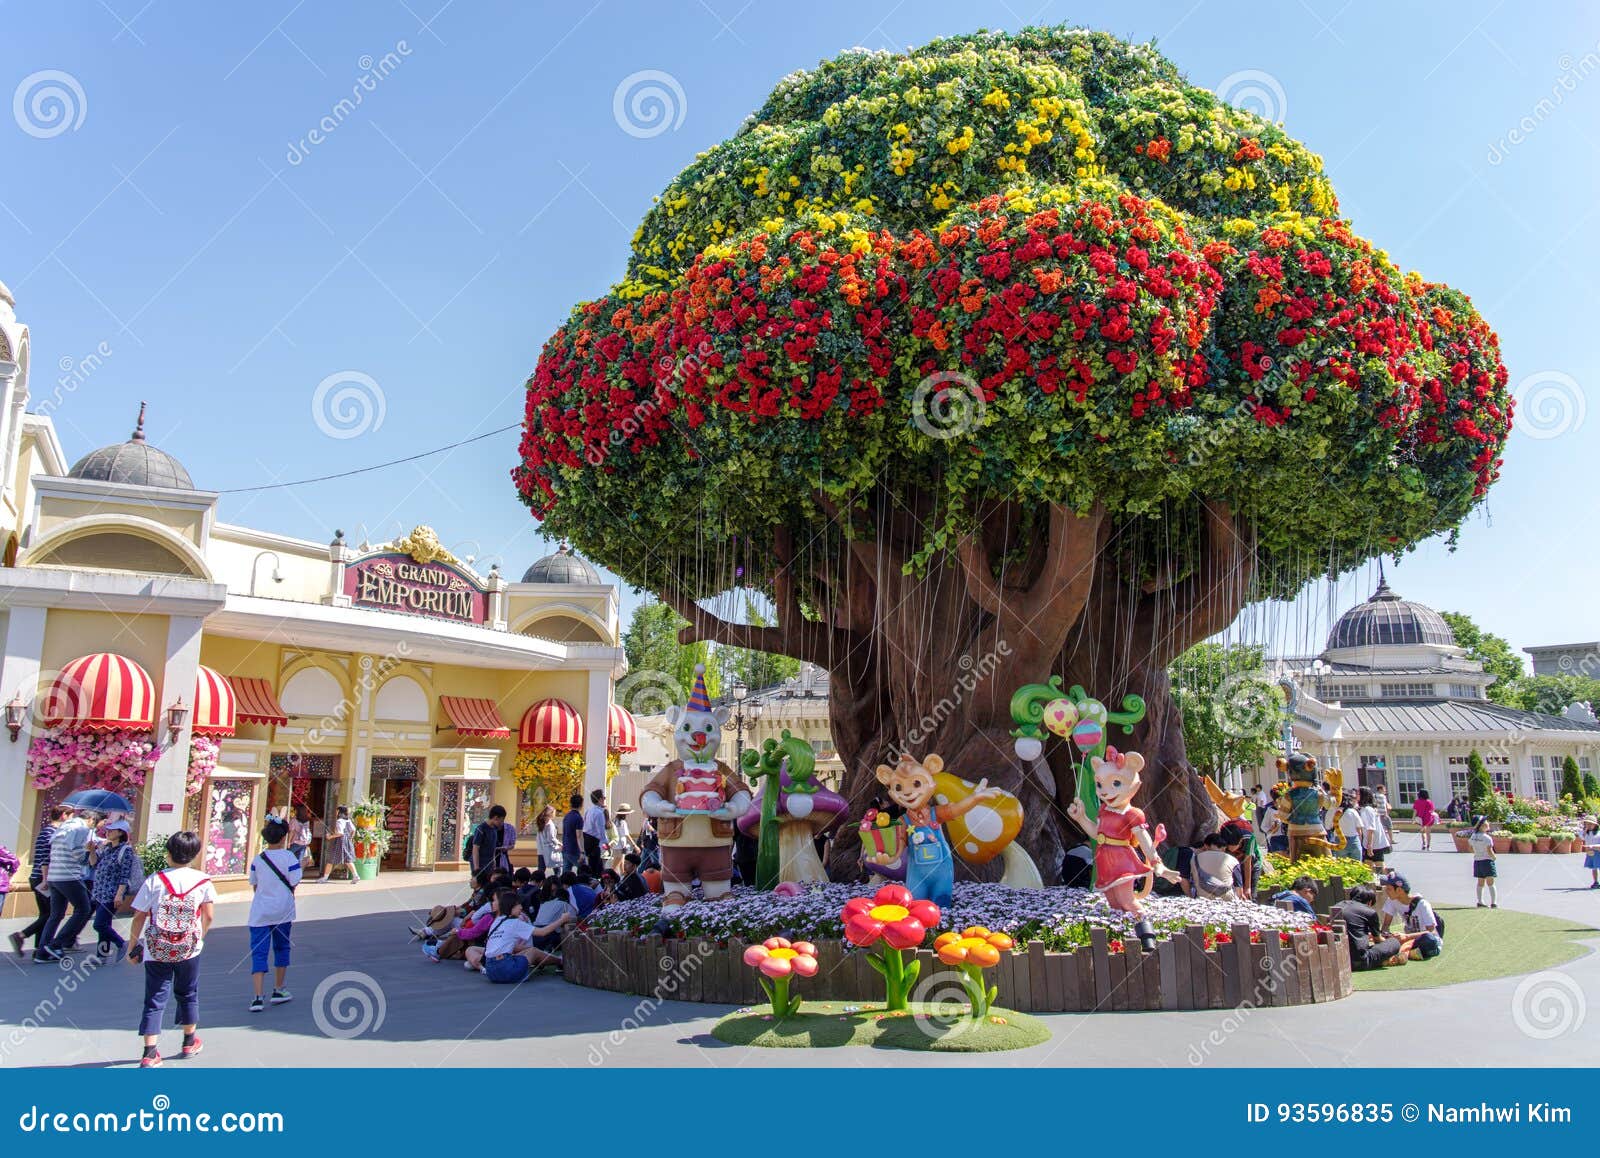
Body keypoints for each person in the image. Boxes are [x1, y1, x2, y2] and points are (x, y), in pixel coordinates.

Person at [127, 831, 216, 1068]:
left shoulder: (155, 880)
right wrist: (199, 938)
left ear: (168, 853)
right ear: (195, 855)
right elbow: (208, 915)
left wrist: (132, 945)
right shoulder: (203, 880)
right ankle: (189, 1041)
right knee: (188, 993)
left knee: (155, 997)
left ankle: (150, 1052)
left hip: (157, 948)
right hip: (189, 948)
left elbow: (139, 917)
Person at [248, 817, 303, 1012]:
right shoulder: (289, 857)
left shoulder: (258, 859)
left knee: (258, 952)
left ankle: (257, 996)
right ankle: (279, 989)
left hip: (260, 912)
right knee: (282, 948)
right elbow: (295, 880)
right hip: (283, 910)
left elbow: (254, 884)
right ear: (283, 837)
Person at [36, 806, 98, 963]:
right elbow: (79, 857)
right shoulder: (81, 829)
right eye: (94, 823)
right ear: (90, 819)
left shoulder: (64, 827)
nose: (94, 826)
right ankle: (56, 944)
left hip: (54, 876)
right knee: (84, 909)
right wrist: (89, 850)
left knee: (55, 915)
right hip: (69, 876)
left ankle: (42, 952)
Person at [12, 806, 69, 957]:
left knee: (46, 913)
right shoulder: (52, 833)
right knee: (52, 914)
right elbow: (46, 858)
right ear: (63, 816)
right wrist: (45, 880)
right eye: (69, 816)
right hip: (44, 878)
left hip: (37, 877)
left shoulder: (46, 831)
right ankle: (22, 935)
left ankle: (39, 948)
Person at [89, 819, 138, 960]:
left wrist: (119, 894)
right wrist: (92, 850)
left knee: (99, 924)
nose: (108, 832)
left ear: (121, 833)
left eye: (112, 830)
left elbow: (124, 874)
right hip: (100, 892)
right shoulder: (107, 848)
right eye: (108, 830)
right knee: (105, 925)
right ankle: (101, 956)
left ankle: (121, 943)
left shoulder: (126, 850)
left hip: (112, 893)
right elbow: (94, 865)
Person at [1329, 884, 1402, 970]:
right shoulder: (1369, 912)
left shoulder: (1338, 905)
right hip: (1359, 961)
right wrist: (1387, 939)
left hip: (1338, 959)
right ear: (1370, 902)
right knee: (1394, 942)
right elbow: (1377, 940)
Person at [1379, 872, 1443, 959]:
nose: (1386, 891)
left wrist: (1406, 936)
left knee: (1429, 939)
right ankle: (1408, 953)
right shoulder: (1391, 901)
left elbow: (1431, 932)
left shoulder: (1422, 904)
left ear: (1399, 890)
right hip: (1408, 940)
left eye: (1389, 889)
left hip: (1423, 940)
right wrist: (1385, 935)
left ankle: (1404, 952)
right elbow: (1386, 925)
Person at [1189, 833, 1243, 901]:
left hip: (1202, 896)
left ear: (1206, 846)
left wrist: (1190, 896)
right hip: (1227, 897)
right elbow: (1239, 888)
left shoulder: (1195, 858)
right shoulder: (1233, 860)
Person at [317, 806, 358, 884]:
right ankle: (356, 876)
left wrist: (330, 836)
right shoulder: (348, 820)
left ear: (339, 811)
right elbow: (354, 830)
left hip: (340, 842)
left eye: (337, 811)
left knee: (331, 859)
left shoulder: (339, 821)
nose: (336, 812)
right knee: (347, 859)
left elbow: (340, 833)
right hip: (347, 841)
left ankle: (325, 878)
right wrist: (350, 837)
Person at [470, 804, 508, 886]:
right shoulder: (481, 829)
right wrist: (476, 868)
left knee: (488, 885)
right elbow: (475, 849)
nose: (502, 823)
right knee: (479, 886)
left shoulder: (494, 829)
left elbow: (493, 846)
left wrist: (493, 860)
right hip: (480, 863)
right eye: (501, 820)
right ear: (495, 818)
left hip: (489, 863)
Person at [1467, 815, 1498, 908]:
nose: (1488, 823)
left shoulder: (1473, 836)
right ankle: (1494, 902)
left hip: (1477, 861)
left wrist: (1477, 853)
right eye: (1486, 822)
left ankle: (1480, 901)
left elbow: (1470, 848)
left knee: (1480, 882)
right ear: (1481, 825)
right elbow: (1489, 850)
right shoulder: (1487, 838)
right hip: (1487, 861)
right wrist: (1493, 857)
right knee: (1491, 882)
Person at [1358, 786, 1390, 866]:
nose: (1356, 796)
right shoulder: (1366, 809)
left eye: (1358, 794)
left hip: (1373, 843)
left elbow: (1371, 829)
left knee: (1378, 864)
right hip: (1372, 842)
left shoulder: (1367, 810)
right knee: (1369, 863)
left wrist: (1369, 845)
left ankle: (1386, 877)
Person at [582, 788, 609, 876]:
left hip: (587, 839)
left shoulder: (588, 811)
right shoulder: (599, 813)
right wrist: (606, 843)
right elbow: (601, 830)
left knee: (593, 866)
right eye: (604, 798)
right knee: (595, 869)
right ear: (600, 799)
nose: (604, 799)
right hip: (594, 842)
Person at [1333, 791, 1363, 861]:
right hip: (1354, 840)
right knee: (1357, 866)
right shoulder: (1352, 811)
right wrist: (1360, 841)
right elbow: (1359, 828)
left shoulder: (1333, 811)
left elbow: (1328, 826)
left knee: (1342, 866)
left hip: (1339, 839)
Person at [561, 793, 584, 871]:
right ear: (581, 805)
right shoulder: (578, 818)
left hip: (566, 848)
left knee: (566, 874)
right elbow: (579, 836)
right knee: (583, 870)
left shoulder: (567, 816)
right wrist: (582, 851)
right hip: (574, 849)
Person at [611, 803, 636, 872]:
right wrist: (634, 845)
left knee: (621, 864)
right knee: (615, 865)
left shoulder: (614, 820)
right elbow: (626, 834)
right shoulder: (622, 822)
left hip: (616, 845)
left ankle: (623, 876)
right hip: (621, 845)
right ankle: (609, 876)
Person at [536, 804, 560, 873]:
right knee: (557, 870)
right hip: (550, 850)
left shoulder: (541, 823)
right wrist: (559, 844)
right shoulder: (550, 824)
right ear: (551, 813)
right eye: (554, 812)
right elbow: (551, 838)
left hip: (541, 850)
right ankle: (557, 883)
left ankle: (538, 883)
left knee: (540, 871)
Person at [1580, 816, 1600, 889]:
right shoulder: (1585, 833)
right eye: (1587, 824)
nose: (1589, 825)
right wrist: (1585, 831)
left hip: (1598, 852)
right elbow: (1582, 838)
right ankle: (1596, 882)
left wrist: (1593, 846)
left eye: (1591, 824)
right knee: (1594, 868)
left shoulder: (1598, 833)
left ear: (1595, 825)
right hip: (1590, 852)